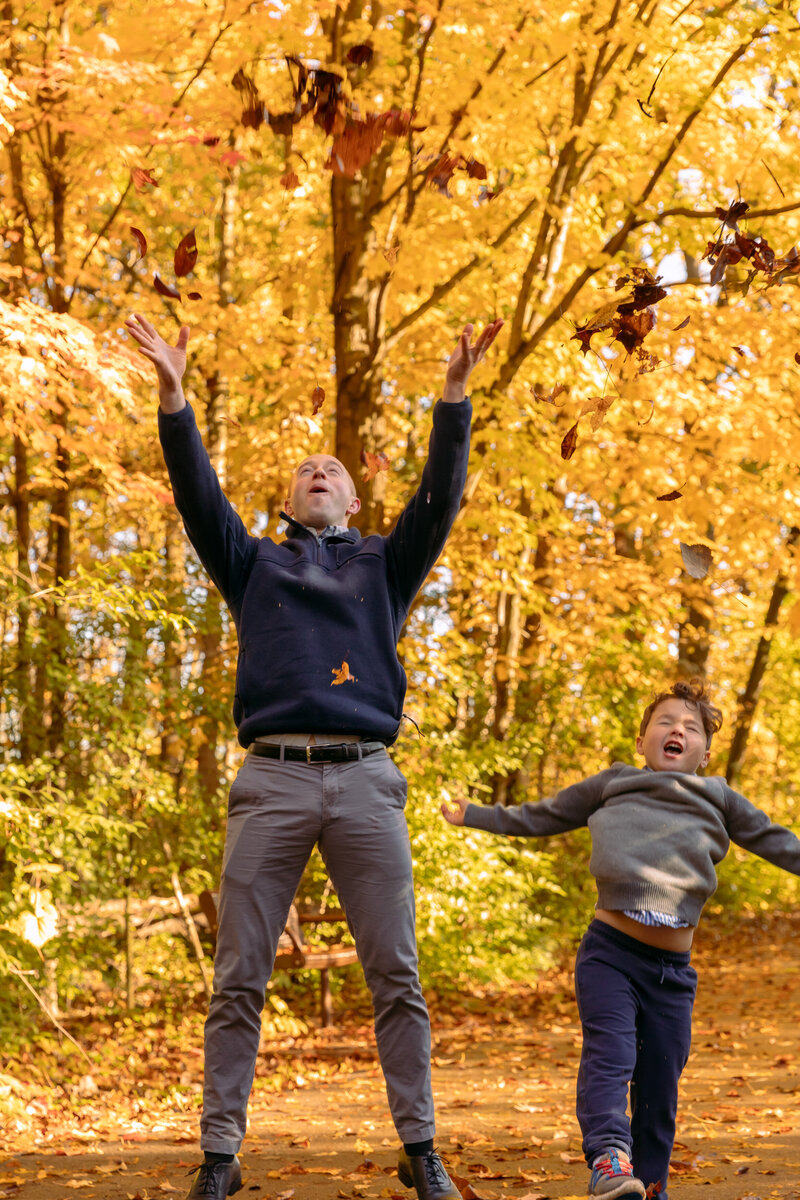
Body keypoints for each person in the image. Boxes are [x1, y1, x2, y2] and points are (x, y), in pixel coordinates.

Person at [124, 311, 503, 1200]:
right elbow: (195, 496)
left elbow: (440, 500)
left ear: (355, 500)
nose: (320, 471)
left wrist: (453, 401)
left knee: (396, 973)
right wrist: (175, 399)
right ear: (289, 505)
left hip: (367, 777)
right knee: (238, 978)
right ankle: (219, 1157)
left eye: (333, 468)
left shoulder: (385, 566)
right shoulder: (252, 563)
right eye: (305, 471)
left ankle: (421, 1151)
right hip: (274, 778)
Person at [441, 679, 800, 1200]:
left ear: (703, 753)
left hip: (673, 974)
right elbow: (543, 815)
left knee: (660, 1082)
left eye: (691, 727)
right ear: (641, 741)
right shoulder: (614, 783)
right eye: (665, 721)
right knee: (611, 1055)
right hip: (609, 954)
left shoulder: (718, 797)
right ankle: (609, 1158)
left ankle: (646, 1186)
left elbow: (776, 841)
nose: (677, 729)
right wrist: (474, 814)